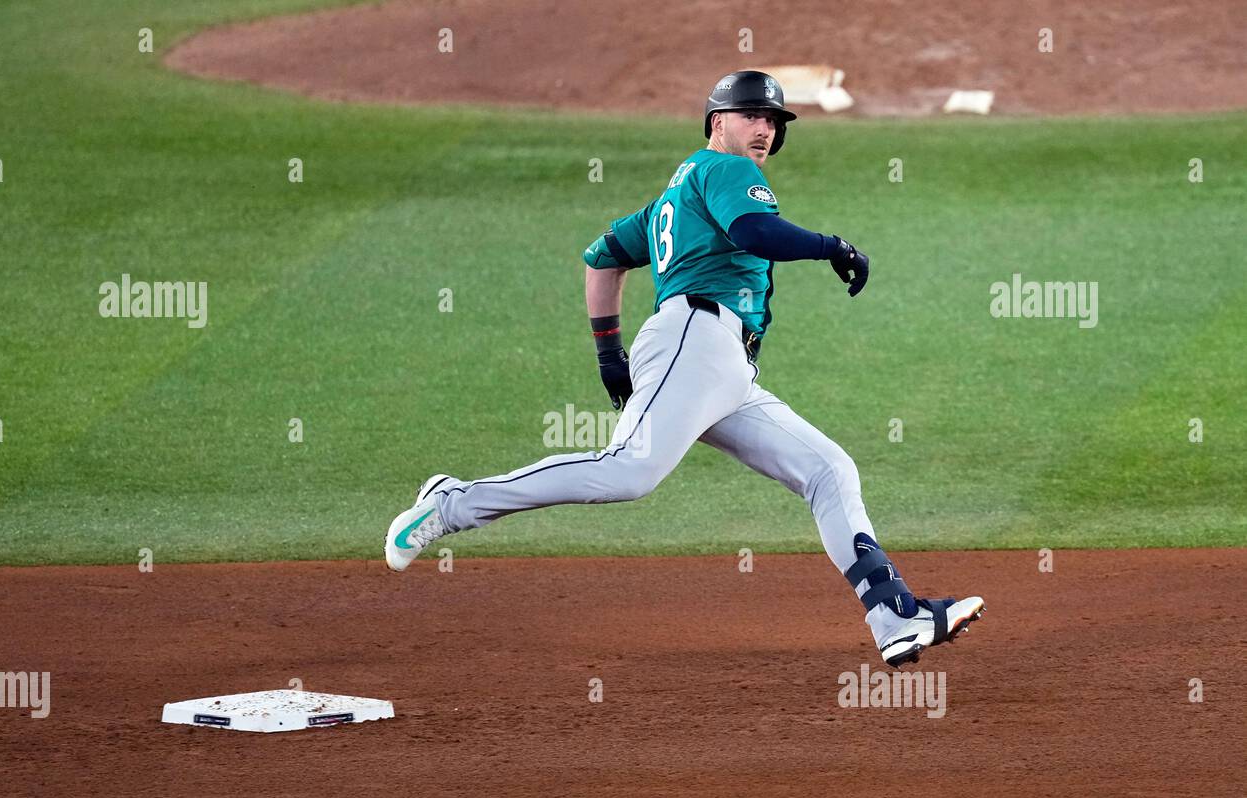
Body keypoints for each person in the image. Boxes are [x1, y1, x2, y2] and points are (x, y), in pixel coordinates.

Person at [384, 70, 984, 667]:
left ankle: (893, 614)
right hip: (695, 341)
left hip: (723, 369)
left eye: (774, 122)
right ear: (717, 121)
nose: (766, 131)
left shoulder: (672, 198)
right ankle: (452, 503)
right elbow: (755, 230)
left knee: (828, 470)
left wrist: (609, 354)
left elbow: (602, 260)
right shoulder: (725, 170)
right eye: (754, 116)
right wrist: (833, 246)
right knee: (629, 472)